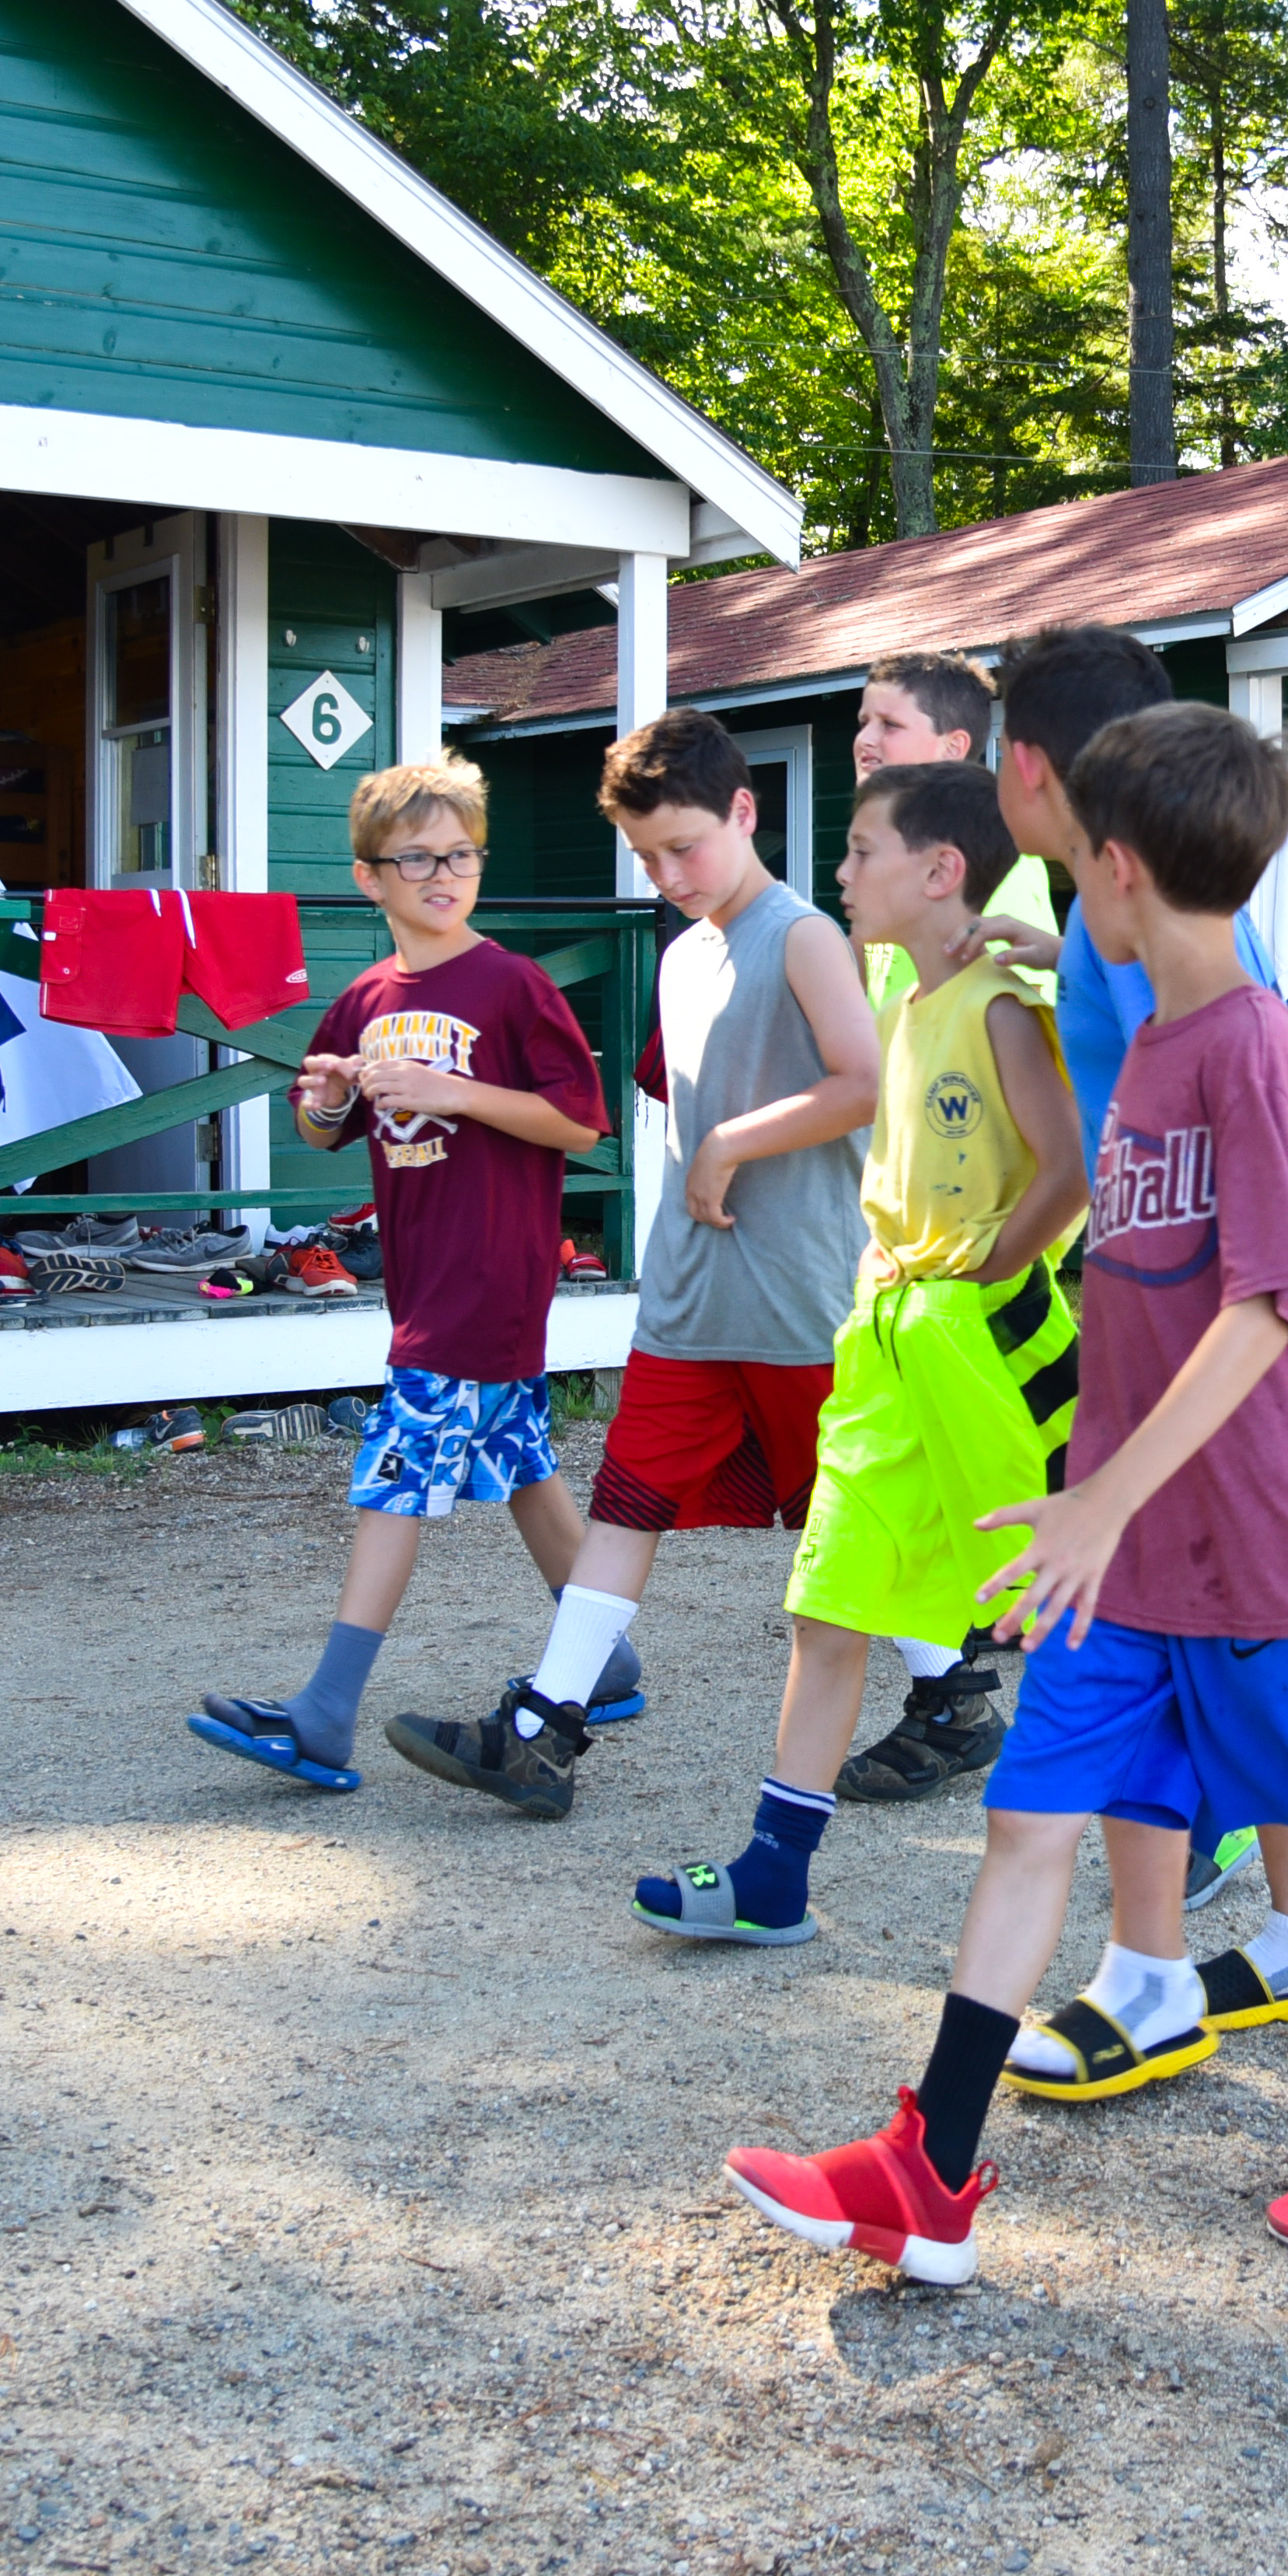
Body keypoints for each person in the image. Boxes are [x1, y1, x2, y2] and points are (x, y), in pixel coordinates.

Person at [720, 701, 1288, 2281]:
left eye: (1074, 862)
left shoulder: (1248, 1041)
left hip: (1273, 1543)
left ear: (1123, 868)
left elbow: (1263, 1301)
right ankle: (928, 2168)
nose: (1063, 891)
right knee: (1027, 1818)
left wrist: (1108, 1491)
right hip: (1130, 1549)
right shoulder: (1149, 1042)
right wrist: (1127, 1490)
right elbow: (1269, 1247)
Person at [972, 624, 1288, 2088]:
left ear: (1039, 777)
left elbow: (1264, 1173)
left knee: (1253, 1700)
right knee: (1191, 1680)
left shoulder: (1182, 980)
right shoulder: (1114, 944)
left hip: (1207, 1380)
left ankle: (1180, 1975)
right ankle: (1284, 1939)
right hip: (1167, 1359)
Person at [383, 709, 879, 1819]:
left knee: (848, 1516)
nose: (668, 875)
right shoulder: (684, 952)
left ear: (745, 812)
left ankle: (954, 1687)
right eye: (647, 858)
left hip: (802, 1294)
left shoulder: (803, 936)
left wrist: (732, 1143)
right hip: (691, 1294)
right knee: (628, 1497)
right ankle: (542, 1730)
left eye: (684, 847)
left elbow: (865, 1081)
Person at [637, 761, 1087, 1941]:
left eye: (860, 851)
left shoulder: (998, 1005)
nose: (839, 872)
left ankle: (1214, 1811)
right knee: (829, 1604)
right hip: (884, 1344)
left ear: (941, 871)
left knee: (1067, 1612)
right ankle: (774, 1873)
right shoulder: (905, 1006)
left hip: (983, 1348)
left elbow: (1070, 1165)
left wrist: (988, 1272)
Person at [194, 759, 622, 1789]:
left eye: (461, 855)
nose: (443, 875)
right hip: (421, 1272)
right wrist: (328, 1097)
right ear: (369, 877)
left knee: (395, 1469)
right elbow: (322, 1126)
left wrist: (453, 1089)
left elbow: (578, 1122)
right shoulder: (366, 997)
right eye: (418, 859)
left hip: (491, 1270)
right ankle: (604, 1661)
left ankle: (326, 1710)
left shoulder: (513, 985)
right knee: (519, 1457)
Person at [851, 652, 1060, 1022]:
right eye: (864, 722)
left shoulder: (998, 855)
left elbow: (1019, 1004)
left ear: (952, 748)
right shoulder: (890, 851)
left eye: (890, 725)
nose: (864, 740)